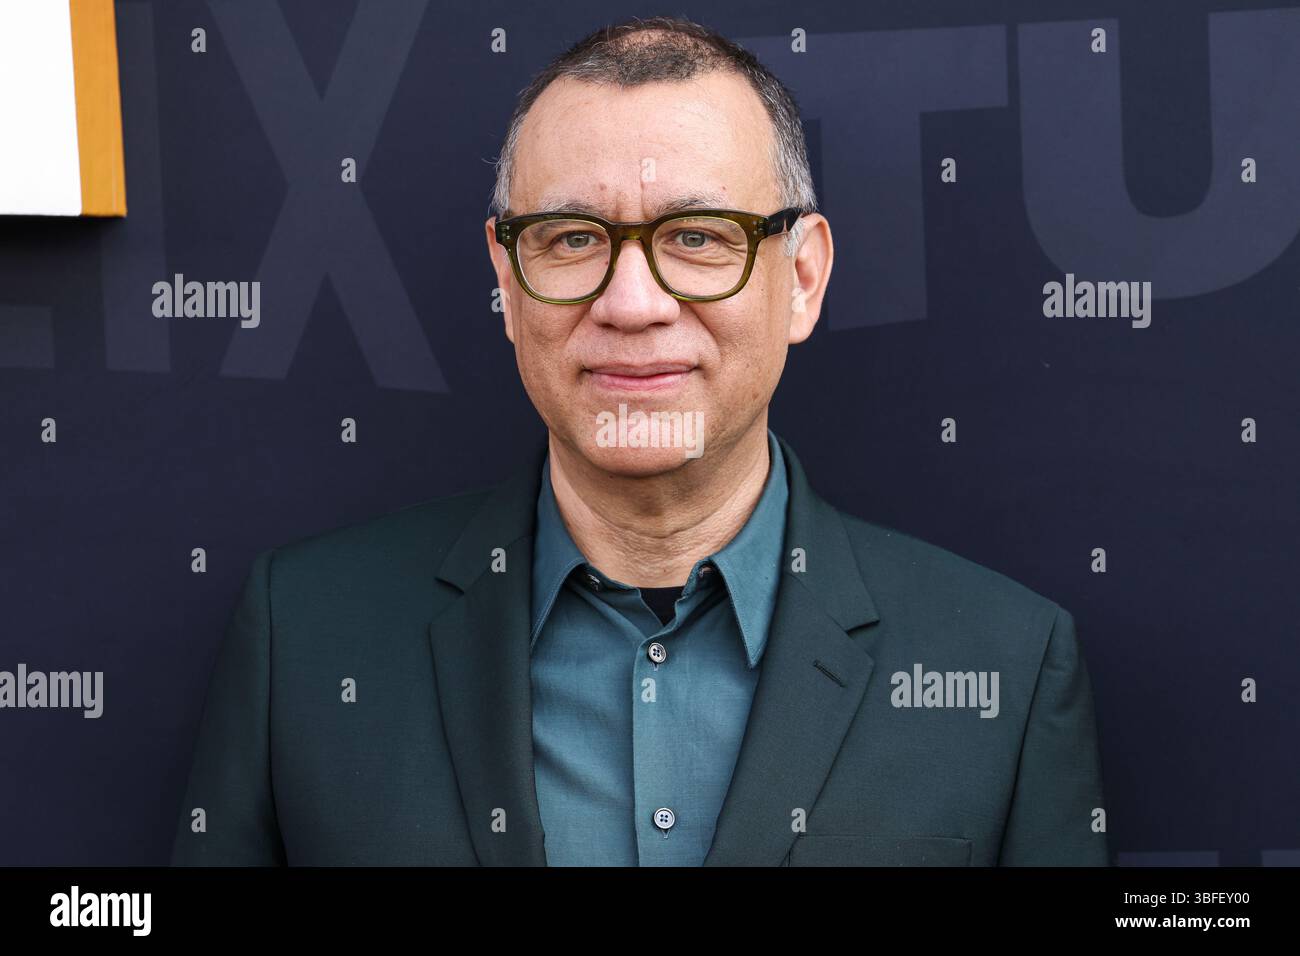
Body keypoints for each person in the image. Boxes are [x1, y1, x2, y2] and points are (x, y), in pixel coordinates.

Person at [171, 15, 1107, 866]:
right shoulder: (303, 639)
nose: (632, 304)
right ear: (507, 274)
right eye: (572, 239)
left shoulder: (1007, 667)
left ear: (805, 277)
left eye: (700, 237)